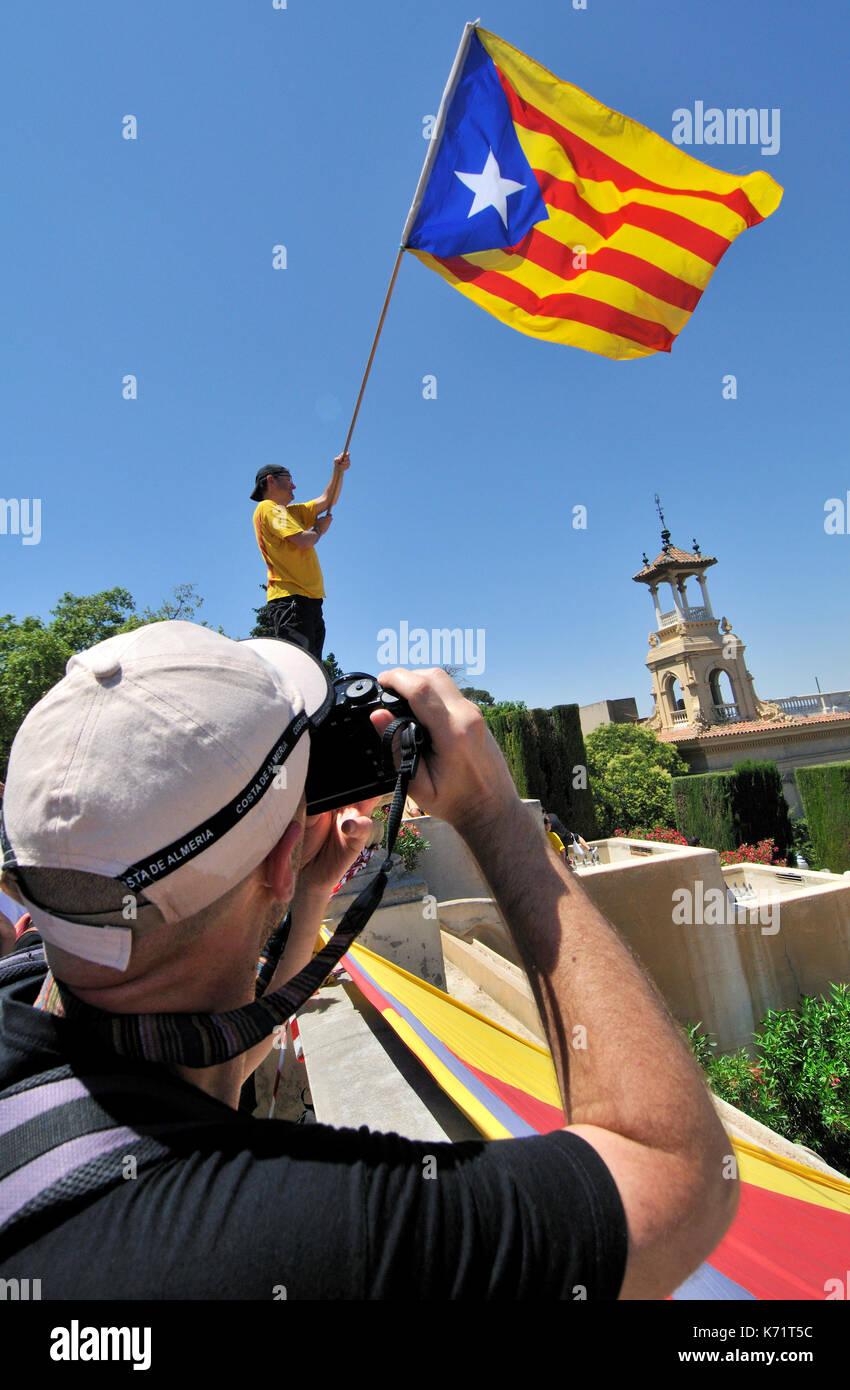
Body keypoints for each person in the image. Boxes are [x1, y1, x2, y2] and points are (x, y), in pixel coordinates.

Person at [0, 622, 737, 1300]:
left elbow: (215, 1048)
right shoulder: (284, 1230)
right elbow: (672, 1178)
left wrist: (312, 885)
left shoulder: (29, 985)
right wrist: (493, 813)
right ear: (278, 861)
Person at [251, 453, 350, 657]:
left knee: (312, 667)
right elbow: (304, 541)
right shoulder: (268, 508)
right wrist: (318, 529)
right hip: (291, 600)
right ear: (271, 480)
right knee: (303, 667)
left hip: (307, 600)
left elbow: (327, 500)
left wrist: (338, 472)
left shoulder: (288, 513)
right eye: (289, 480)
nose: (294, 486)